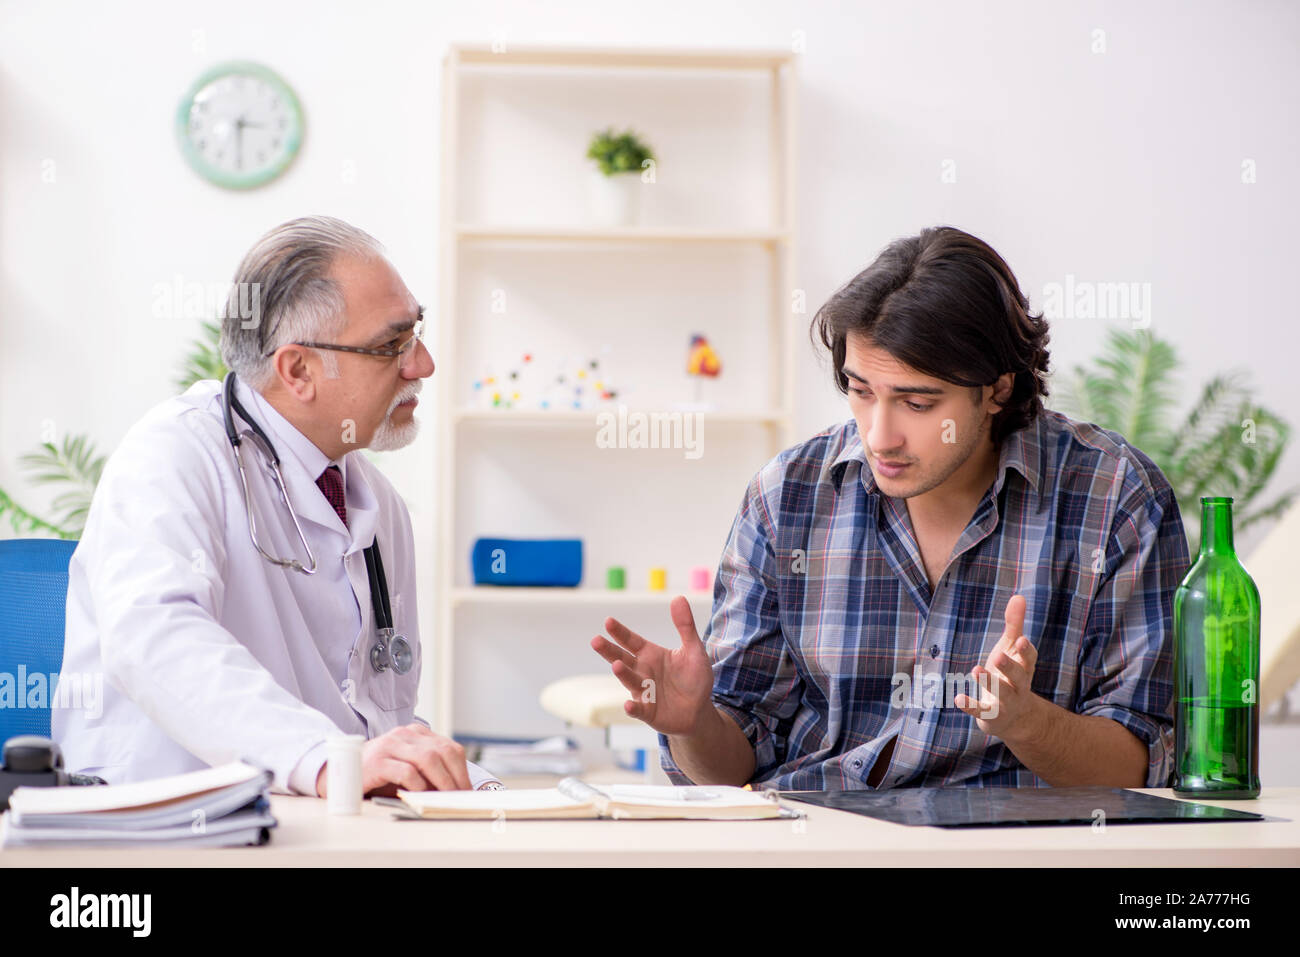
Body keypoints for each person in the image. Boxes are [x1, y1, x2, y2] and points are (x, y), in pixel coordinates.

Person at [590, 226, 1190, 790]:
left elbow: (1142, 766)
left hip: (1005, 850)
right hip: (819, 840)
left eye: (917, 403)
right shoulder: (787, 496)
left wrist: (1025, 721)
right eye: (860, 391)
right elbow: (733, 767)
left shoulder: (1114, 497)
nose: (880, 435)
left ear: (998, 390)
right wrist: (693, 725)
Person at [54, 216, 502, 795]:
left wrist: (482, 789)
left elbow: (374, 724)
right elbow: (154, 639)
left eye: (416, 334)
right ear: (298, 370)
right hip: (170, 824)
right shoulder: (174, 455)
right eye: (392, 345)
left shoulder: (376, 504)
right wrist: (321, 761)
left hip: (318, 823)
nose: (422, 365)